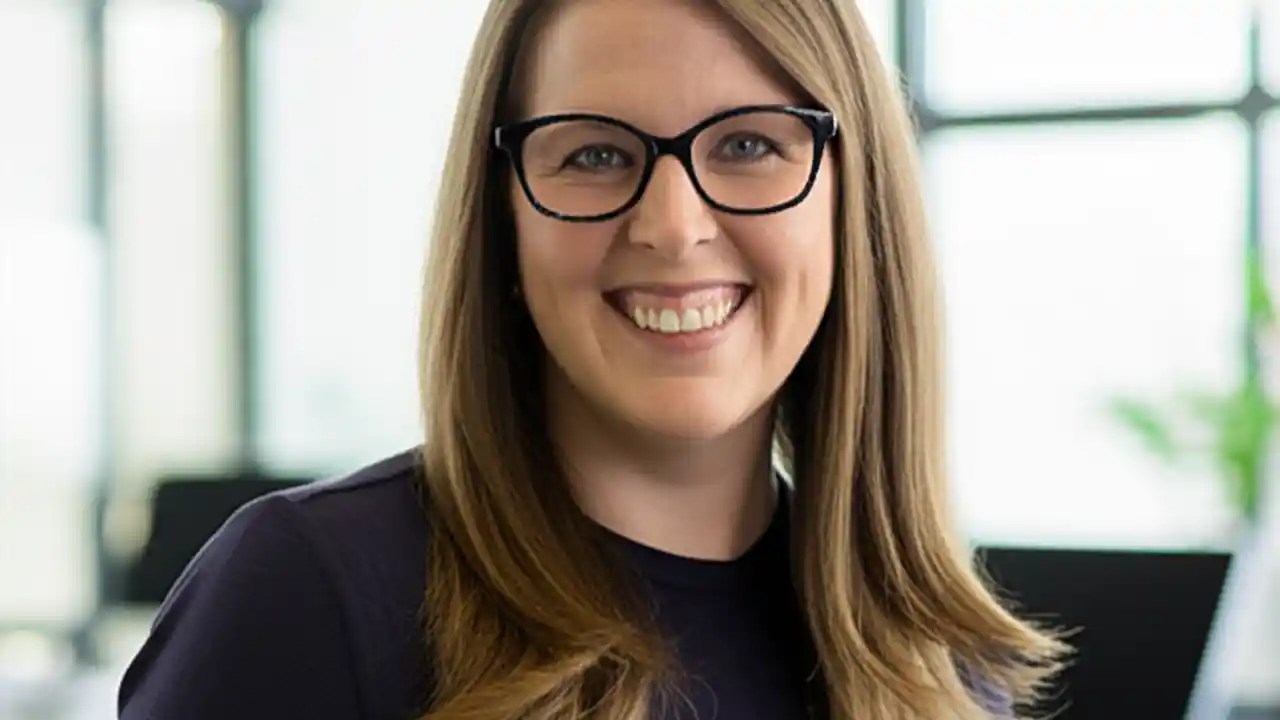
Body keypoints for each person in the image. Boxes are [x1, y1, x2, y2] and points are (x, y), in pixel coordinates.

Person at [118, 0, 1069, 718]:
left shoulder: (939, 674)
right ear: (504, 218)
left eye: (747, 144)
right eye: (594, 156)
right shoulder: (310, 592)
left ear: (851, 202)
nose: (672, 226)